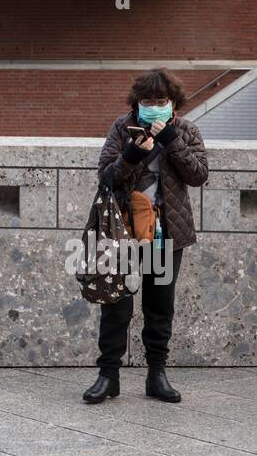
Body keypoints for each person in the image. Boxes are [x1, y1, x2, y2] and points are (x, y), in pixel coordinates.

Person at [83, 69, 208, 405]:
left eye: (161, 101)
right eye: (148, 101)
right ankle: (108, 376)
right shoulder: (122, 128)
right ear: (137, 102)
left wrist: (170, 141)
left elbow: (198, 175)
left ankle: (157, 375)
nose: (154, 106)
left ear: (173, 103)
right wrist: (132, 154)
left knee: (159, 306)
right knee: (115, 304)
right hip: (121, 233)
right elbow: (106, 177)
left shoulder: (185, 130)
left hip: (167, 235)